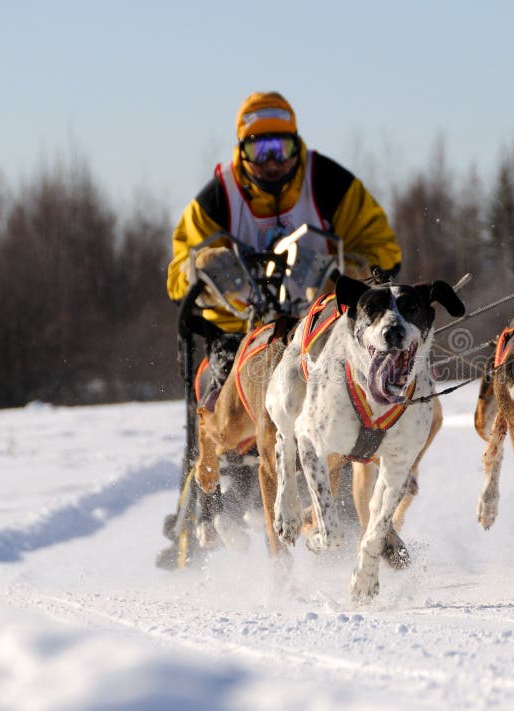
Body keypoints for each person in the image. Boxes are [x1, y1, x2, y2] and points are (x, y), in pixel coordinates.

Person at [159, 91, 402, 561]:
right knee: (216, 396)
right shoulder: (217, 198)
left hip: (319, 322)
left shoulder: (330, 184)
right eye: (259, 151)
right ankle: (209, 506)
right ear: (242, 151)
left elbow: (383, 252)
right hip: (238, 327)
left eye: (281, 150)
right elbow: (178, 274)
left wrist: (340, 263)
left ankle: (355, 503)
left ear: (297, 146)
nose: (271, 162)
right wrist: (206, 267)